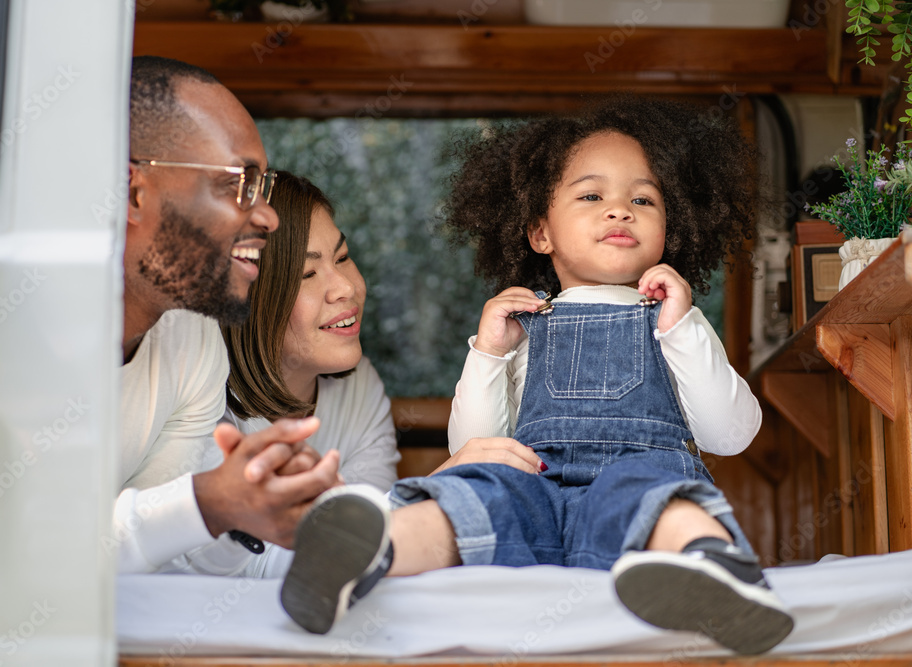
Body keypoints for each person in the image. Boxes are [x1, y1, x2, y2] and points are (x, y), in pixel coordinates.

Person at [279, 97, 795, 655]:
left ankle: (716, 575)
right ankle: (368, 552)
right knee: (480, 496)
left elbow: (731, 434)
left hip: (629, 497)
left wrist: (683, 328)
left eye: (642, 199)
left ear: (669, 230)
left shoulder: (675, 323)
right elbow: (472, 447)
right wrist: (490, 354)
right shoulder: (525, 326)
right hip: (534, 493)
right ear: (540, 232)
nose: (620, 210)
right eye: (592, 195)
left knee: (658, 497)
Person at [114, 55, 339, 574]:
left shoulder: (192, 339)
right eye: (239, 184)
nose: (267, 216)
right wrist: (210, 502)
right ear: (131, 193)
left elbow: (135, 559)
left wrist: (238, 497)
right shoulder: (3, 345)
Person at [155, 171, 401, 577]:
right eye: (307, 275)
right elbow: (261, 568)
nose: (345, 288)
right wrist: (431, 495)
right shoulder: (202, 402)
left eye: (342, 258)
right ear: (255, 297)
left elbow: (360, 541)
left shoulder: (360, 388)